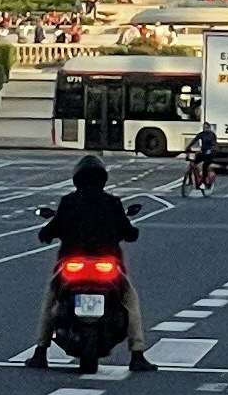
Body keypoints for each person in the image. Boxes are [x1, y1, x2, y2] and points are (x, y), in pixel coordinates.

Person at [23, 155, 151, 372]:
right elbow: (129, 233)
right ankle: (137, 354)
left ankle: (40, 351)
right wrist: (130, 232)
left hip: (71, 264)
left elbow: (49, 231)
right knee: (130, 300)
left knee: (51, 301)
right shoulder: (112, 203)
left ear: (77, 179)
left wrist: (46, 232)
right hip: (108, 265)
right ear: (103, 179)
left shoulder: (68, 202)